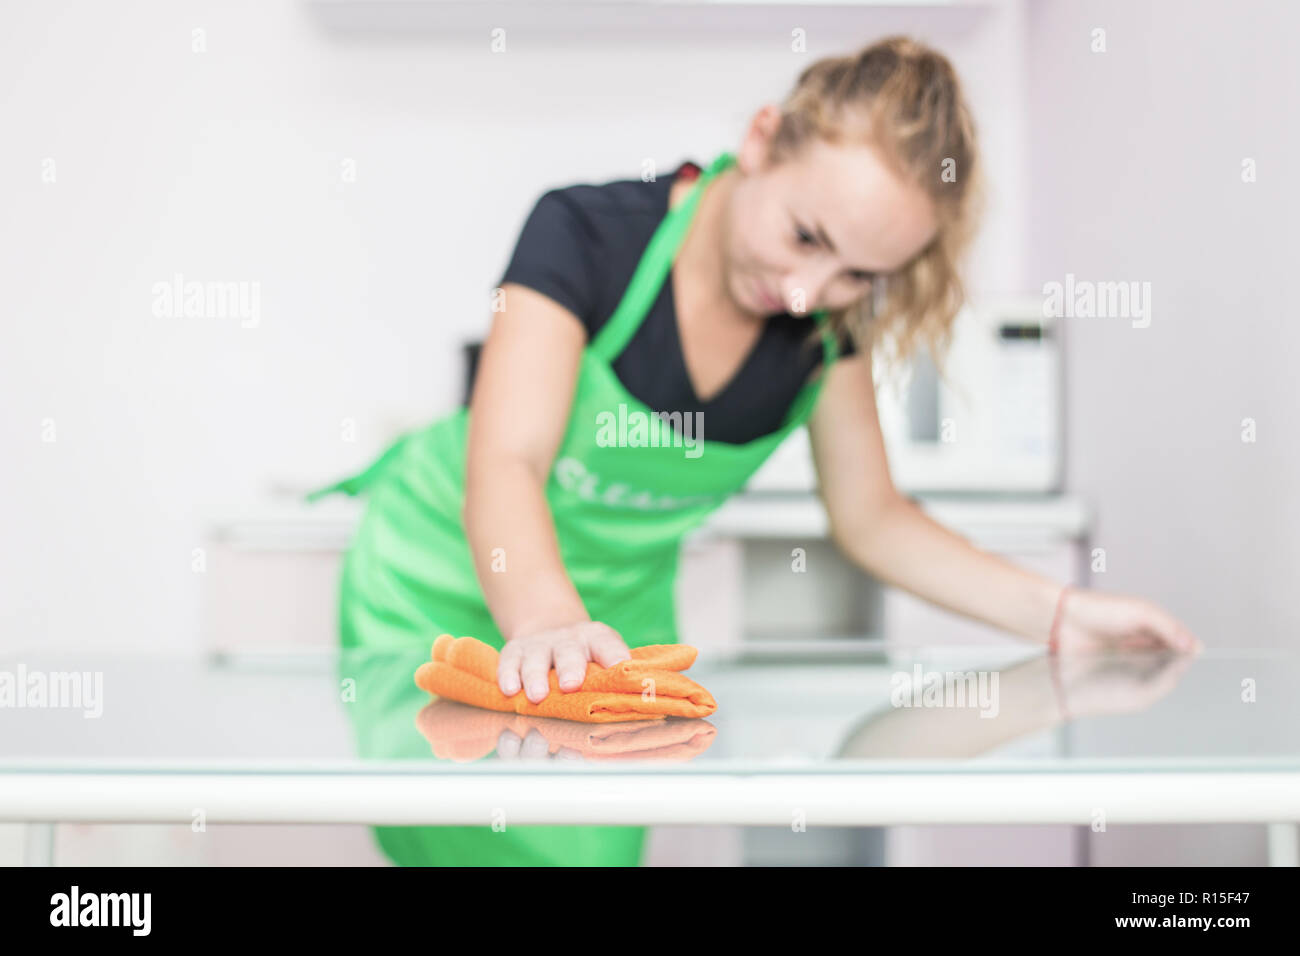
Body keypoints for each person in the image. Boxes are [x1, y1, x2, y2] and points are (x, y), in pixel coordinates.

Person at [307, 35, 1203, 867]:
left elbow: (875, 520)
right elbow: (507, 464)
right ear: (764, 139)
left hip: (612, 623)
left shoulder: (822, 337)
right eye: (807, 237)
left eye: (859, 274)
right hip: (444, 578)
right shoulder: (584, 235)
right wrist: (545, 626)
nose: (808, 293)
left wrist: (1061, 616)